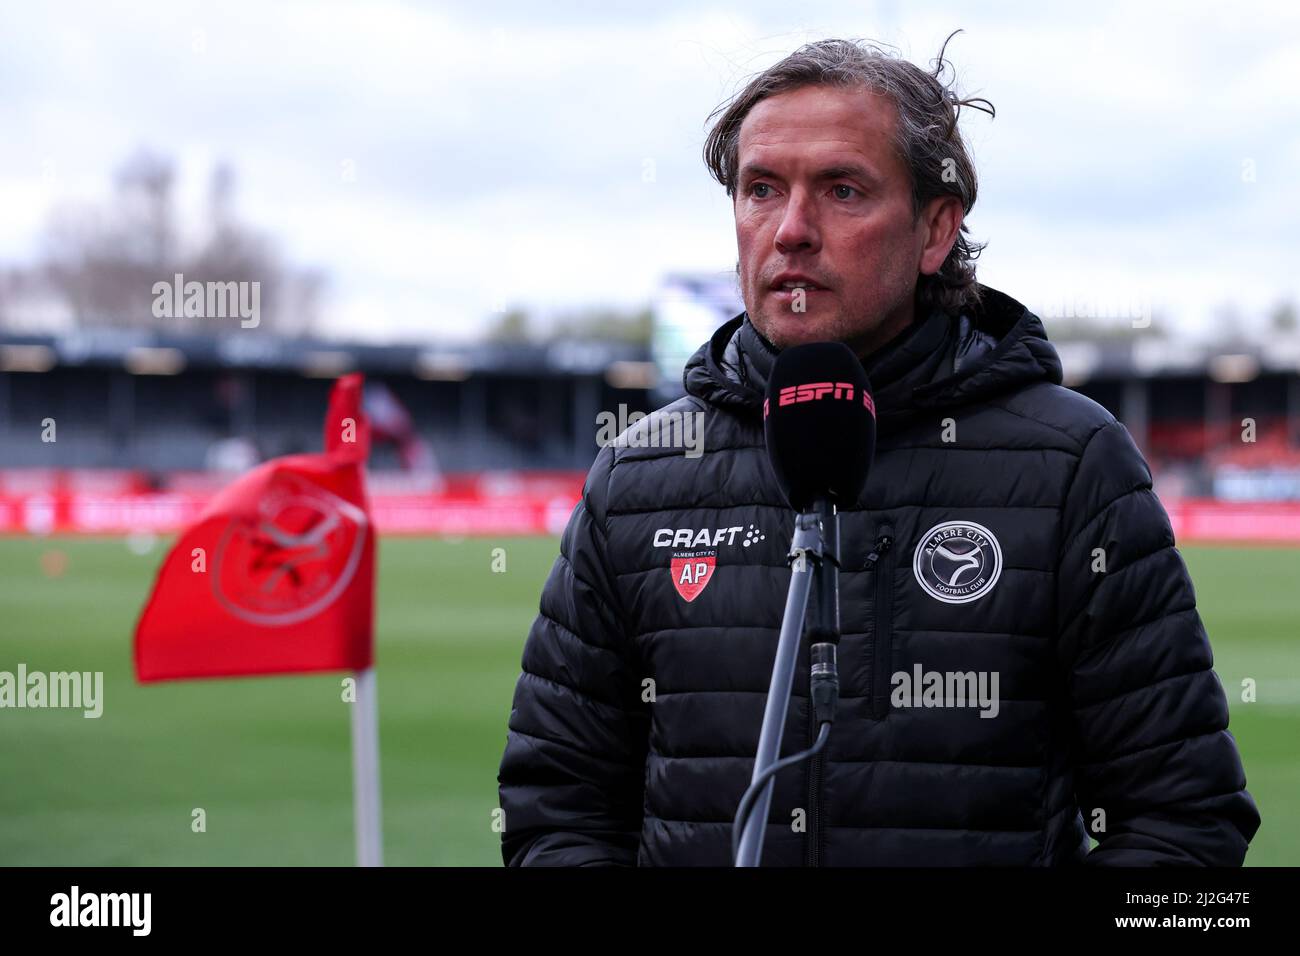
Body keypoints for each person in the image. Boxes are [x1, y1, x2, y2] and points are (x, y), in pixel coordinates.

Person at [496, 34, 1260, 866]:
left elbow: (1185, 825)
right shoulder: (639, 475)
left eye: (843, 190)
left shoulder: (1075, 464)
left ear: (936, 230)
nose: (790, 231)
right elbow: (556, 813)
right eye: (761, 190)